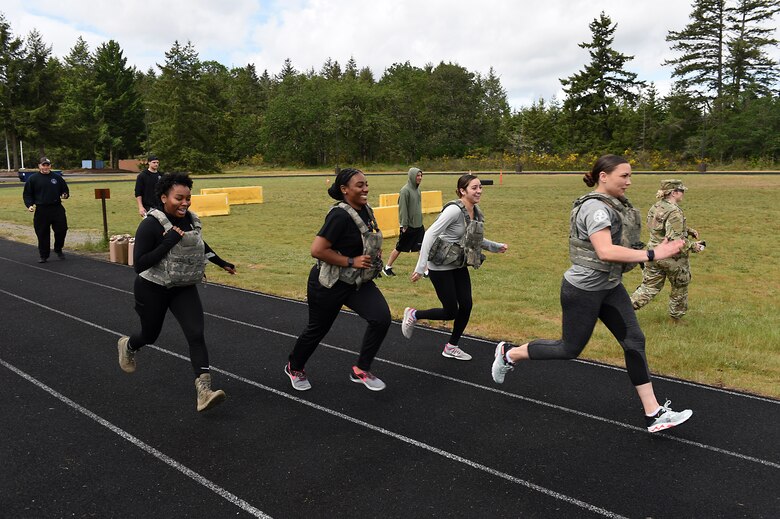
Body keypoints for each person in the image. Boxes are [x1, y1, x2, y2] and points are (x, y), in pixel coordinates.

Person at [490, 155, 693, 433]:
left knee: (634, 340)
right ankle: (509, 354)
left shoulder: (617, 205)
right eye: (624, 176)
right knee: (569, 349)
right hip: (583, 290)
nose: (629, 181)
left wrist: (663, 246)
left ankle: (653, 413)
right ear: (604, 176)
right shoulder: (595, 208)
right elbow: (605, 251)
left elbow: (623, 244)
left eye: (630, 175)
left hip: (610, 287)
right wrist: (654, 253)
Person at [117, 172, 236, 412]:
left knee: (195, 333)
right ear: (164, 198)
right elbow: (139, 265)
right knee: (150, 335)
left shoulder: (190, 219)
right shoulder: (150, 224)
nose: (185, 203)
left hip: (182, 287)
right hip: (152, 288)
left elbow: (199, 244)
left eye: (188, 198)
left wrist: (221, 262)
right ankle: (129, 346)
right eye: (179, 198)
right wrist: (167, 241)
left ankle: (204, 391)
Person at [285, 168, 390, 392]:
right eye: (360, 185)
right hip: (328, 284)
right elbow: (317, 250)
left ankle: (361, 369)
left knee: (381, 318)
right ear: (344, 190)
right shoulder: (339, 215)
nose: (366, 189)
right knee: (317, 329)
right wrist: (352, 261)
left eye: (366, 184)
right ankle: (294, 367)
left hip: (357, 283)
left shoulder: (367, 210)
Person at [401, 174, 507, 361]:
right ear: (462, 191)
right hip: (440, 266)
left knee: (466, 305)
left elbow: (473, 238)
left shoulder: (474, 210)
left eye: (480, 187)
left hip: (457, 264)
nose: (479, 191)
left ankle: (451, 346)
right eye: (474, 188)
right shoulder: (453, 211)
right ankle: (414, 314)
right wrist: (421, 266)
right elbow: (429, 235)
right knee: (451, 311)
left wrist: (495, 247)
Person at [631, 179, 705, 322]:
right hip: (672, 258)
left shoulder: (656, 206)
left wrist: (688, 230)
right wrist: (694, 246)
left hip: (653, 253)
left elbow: (659, 227)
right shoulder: (674, 212)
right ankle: (676, 319)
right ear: (673, 193)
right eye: (681, 191)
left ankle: (619, 311)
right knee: (680, 287)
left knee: (648, 288)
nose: (683, 194)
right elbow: (675, 241)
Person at [22, 157, 69, 263]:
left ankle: (58, 249)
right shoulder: (33, 179)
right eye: (44, 165)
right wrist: (29, 205)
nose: (46, 167)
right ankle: (44, 255)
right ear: (39, 166)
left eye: (47, 165)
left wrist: (65, 195)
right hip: (41, 210)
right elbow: (27, 194)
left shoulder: (57, 178)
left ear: (50, 166)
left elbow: (65, 190)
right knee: (42, 233)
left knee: (62, 229)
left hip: (56, 208)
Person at [382, 167, 425, 277]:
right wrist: (404, 225)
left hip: (418, 225)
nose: (419, 178)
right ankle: (387, 267)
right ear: (412, 176)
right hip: (409, 226)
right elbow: (403, 209)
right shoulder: (405, 191)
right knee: (399, 247)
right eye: (417, 175)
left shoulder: (417, 190)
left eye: (421, 175)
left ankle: (426, 271)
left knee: (422, 247)